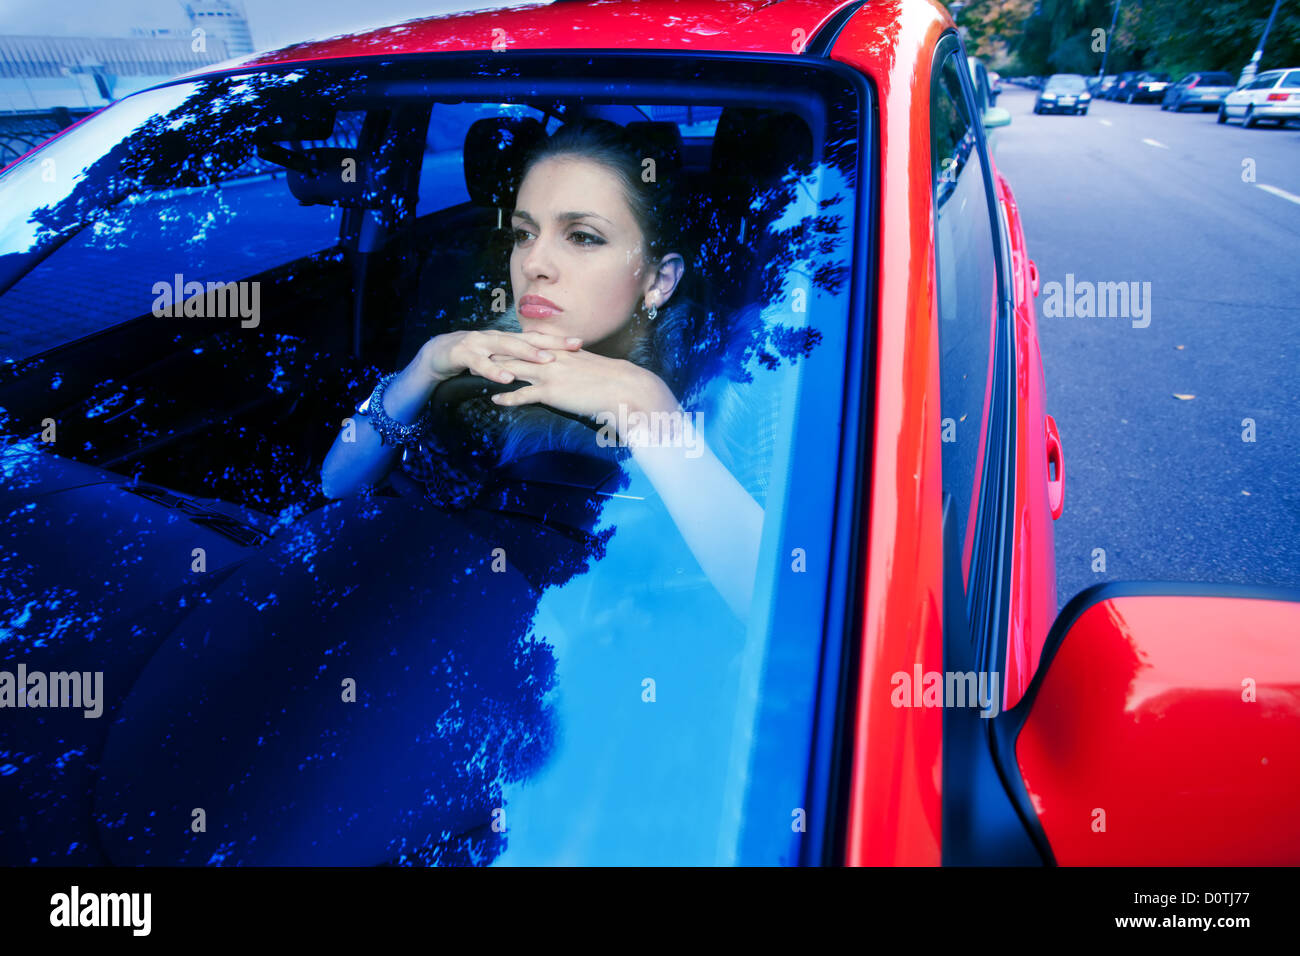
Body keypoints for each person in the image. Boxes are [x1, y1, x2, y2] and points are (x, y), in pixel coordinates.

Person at [320, 118, 765, 617]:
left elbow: (780, 612)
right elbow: (337, 484)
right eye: (524, 233)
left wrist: (646, 407)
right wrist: (423, 370)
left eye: (582, 237)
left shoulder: (736, 380)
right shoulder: (489, 356)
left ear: (658, 281)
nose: (535, 263)